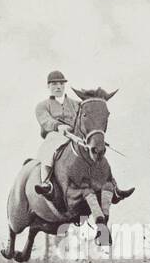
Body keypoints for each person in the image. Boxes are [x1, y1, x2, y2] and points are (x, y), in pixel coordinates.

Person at [32, 69, 133, 201]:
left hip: (76, 136)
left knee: (96, 150)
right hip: (56, 135)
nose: (58, 87)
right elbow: (45, 120)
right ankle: (46, 183)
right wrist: (58, 126)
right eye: (54, 84)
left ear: (64, 86)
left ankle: (113, 186)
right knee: (48, 150)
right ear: (48, 86)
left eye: (60, 84)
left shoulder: (76, 104)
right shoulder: (42, 106)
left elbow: (87, 118)